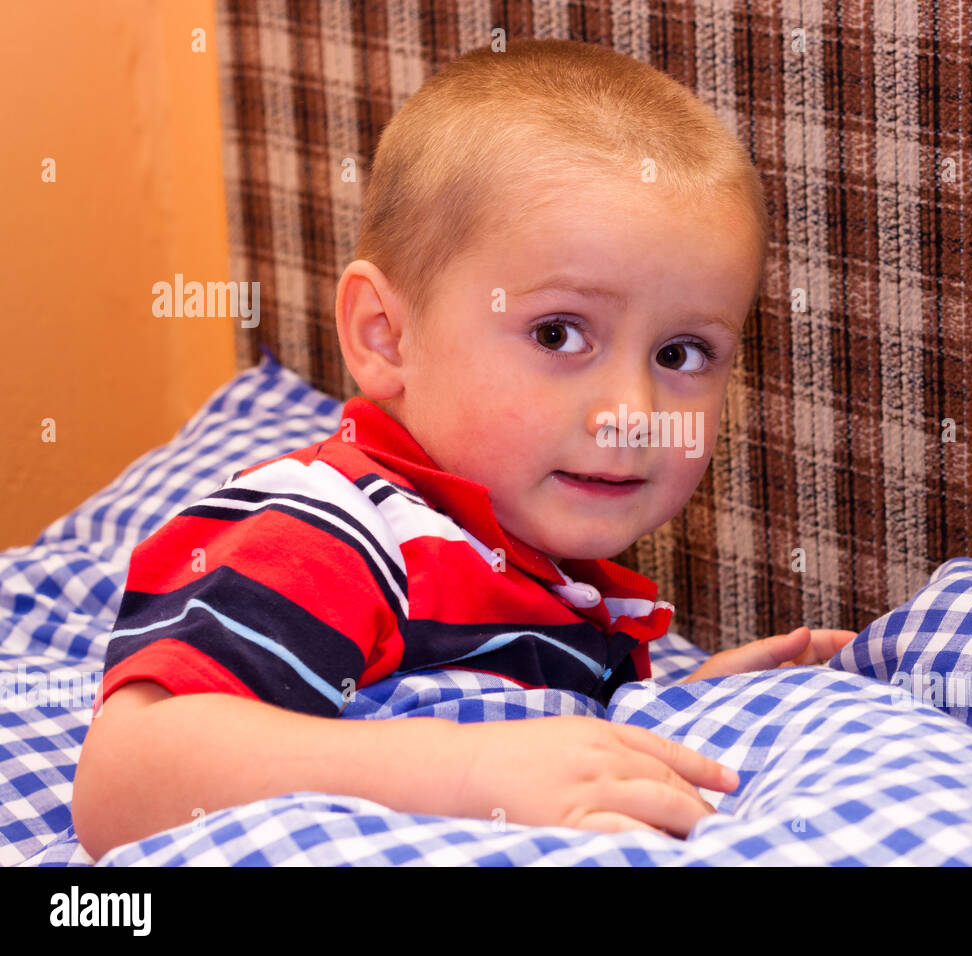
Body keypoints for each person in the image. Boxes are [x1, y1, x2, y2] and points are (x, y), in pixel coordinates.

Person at [71, 38, 856, 861]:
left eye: (682, 354)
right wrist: (471, 770)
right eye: (558, 334)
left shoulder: (558, 585)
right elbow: (126, 775)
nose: (633, 412)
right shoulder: (335, 530)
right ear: (386, 336)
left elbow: (521, 736)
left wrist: (676, 718)